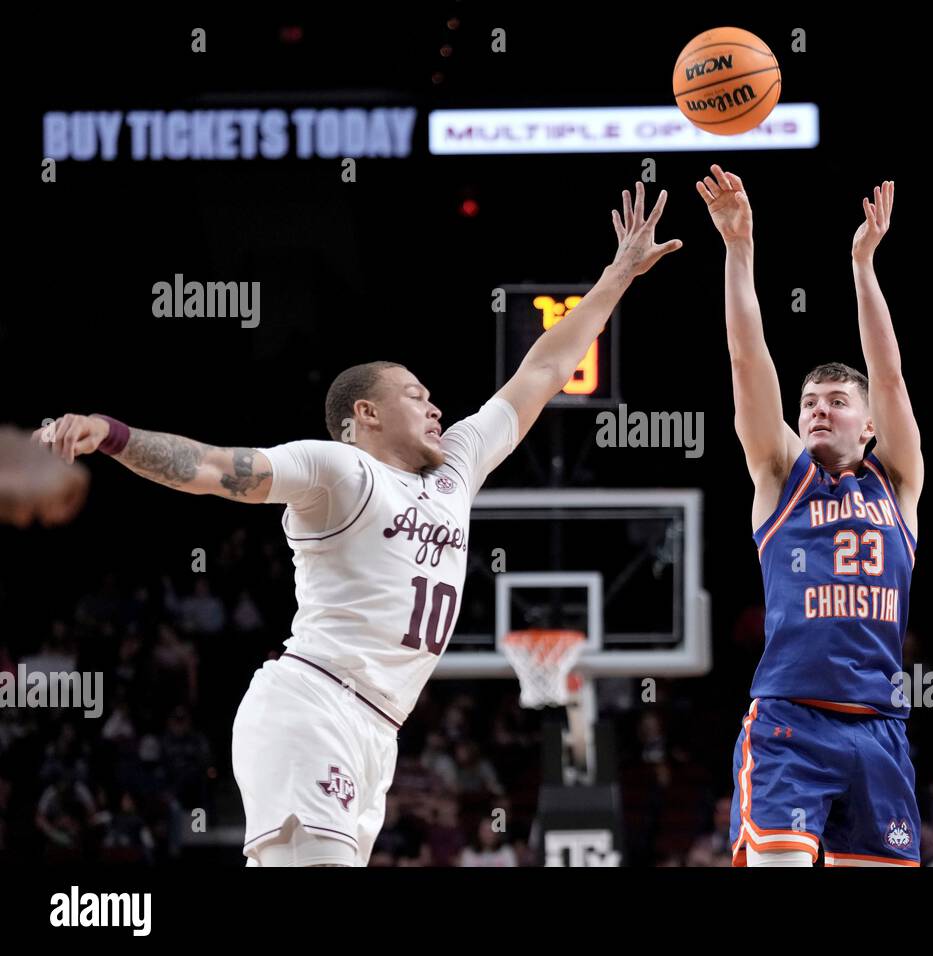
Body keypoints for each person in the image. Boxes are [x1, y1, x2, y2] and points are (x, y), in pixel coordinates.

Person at [32, 181, 682, 866]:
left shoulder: (456, 466)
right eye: (415, 395)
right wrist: (112, 433)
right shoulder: (339, 470)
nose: (436, 408)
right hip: (313, 705)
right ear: (365, 415)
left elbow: (547, 366)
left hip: (377, 731)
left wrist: (616, 275)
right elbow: (213, 468)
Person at [698, 167, 922, 867]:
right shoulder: (779, 476)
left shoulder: (899, 484)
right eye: (809, 403)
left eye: (834, 401)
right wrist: (740, 248)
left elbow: (888, 377)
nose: (818, 409)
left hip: (879, 731)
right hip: (789, 723)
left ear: (868, 428)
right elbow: (745, 360)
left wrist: (863, 264)